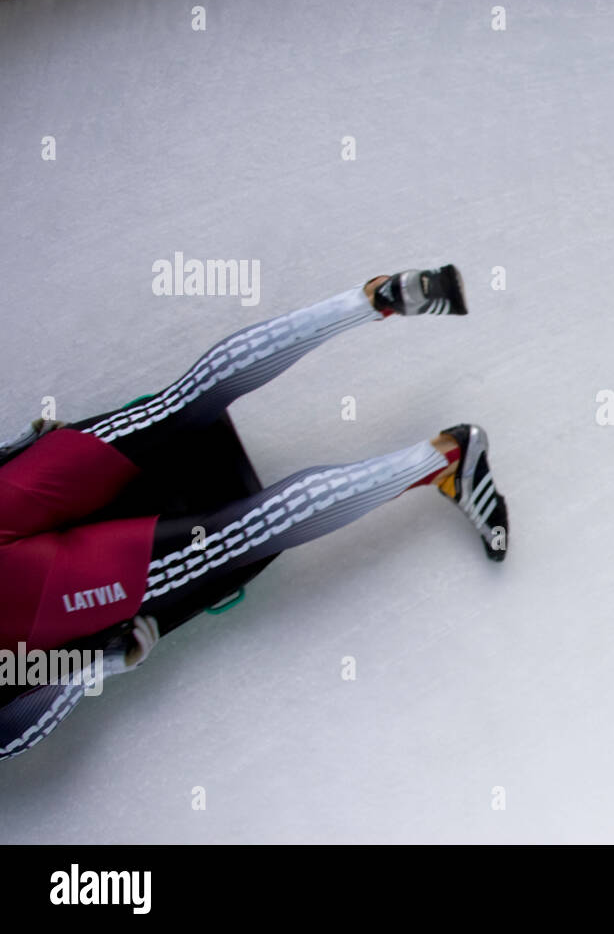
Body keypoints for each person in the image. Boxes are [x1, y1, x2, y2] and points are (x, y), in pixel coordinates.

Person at [0, 267, 510, 675]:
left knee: (234, 538)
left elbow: (13, 732)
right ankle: (377, 299)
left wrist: (99, 663)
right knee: (178, 407)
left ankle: (447, 458)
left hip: (28, 604)